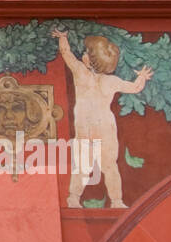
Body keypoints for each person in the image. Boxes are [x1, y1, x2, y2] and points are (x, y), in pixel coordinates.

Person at [52, 28, 151, 209]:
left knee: (83, 165)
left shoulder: (80, 72)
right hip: (105, 126)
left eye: (86, 52)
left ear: (90, 59)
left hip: (86, 126)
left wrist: (63, 38)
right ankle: (117, 201)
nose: (83, 54)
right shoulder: (111, 81)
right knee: (110, 166)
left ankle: (74, 198)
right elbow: (135, 88)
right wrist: (143, 77)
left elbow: (66, 54)